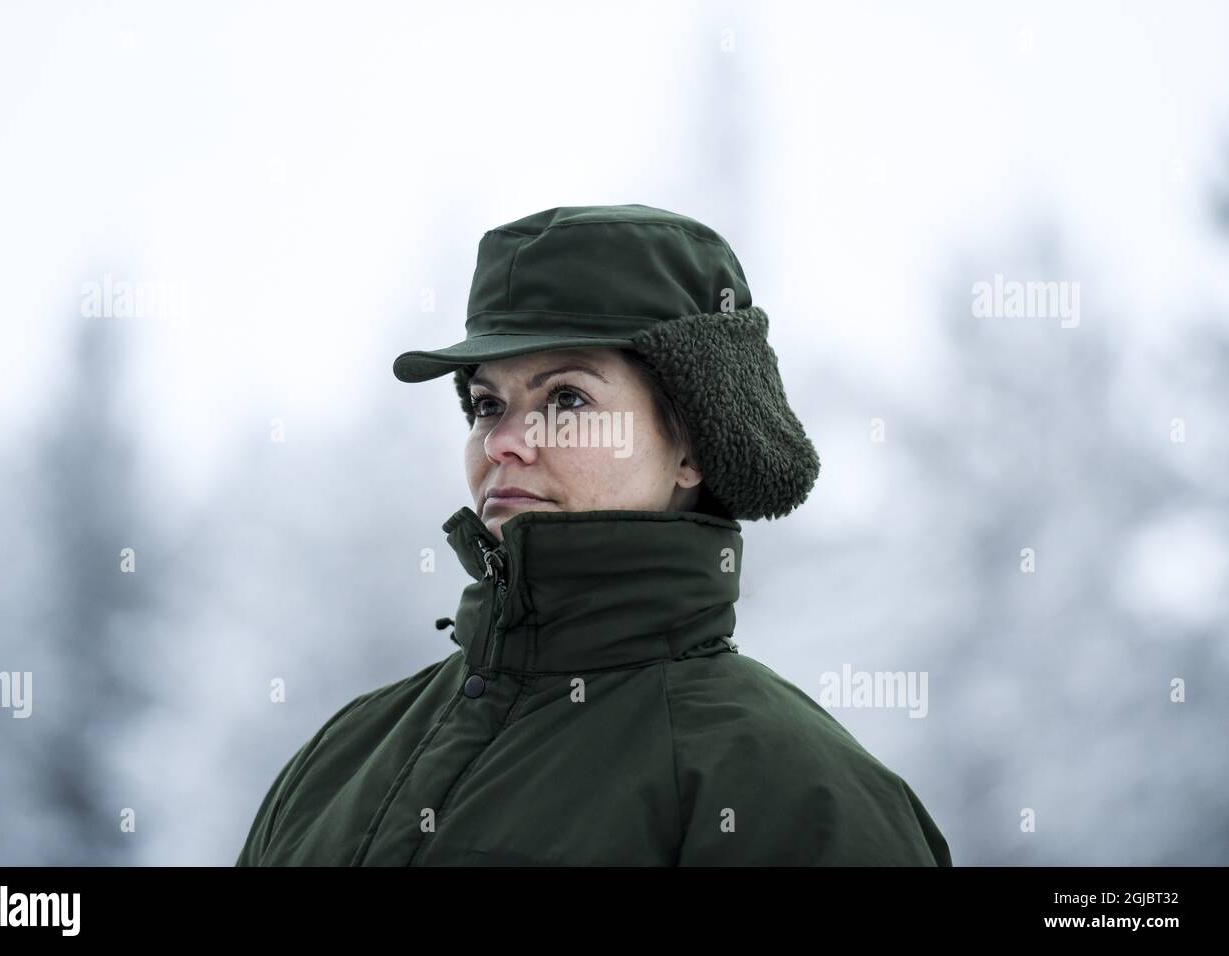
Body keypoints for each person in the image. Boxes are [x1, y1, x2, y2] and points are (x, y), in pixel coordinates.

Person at [235, 203, 952, 866]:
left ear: (692, 446)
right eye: (488, 404)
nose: (505, 442)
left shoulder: (795, 794)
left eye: (567, 398)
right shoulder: (340, 758)